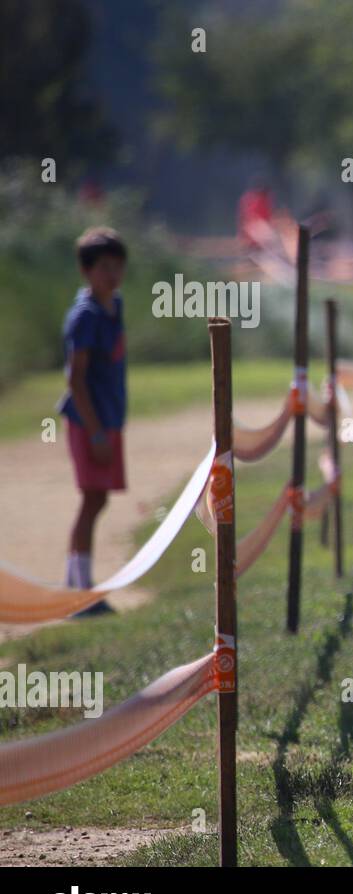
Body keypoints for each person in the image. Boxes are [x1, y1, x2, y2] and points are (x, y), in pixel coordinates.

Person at [58, 227, 129, 615]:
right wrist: (97, 431)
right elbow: (76, 378)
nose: (113, 275)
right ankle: (80, 593)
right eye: (104, 267)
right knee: (90, 500)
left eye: (118, 267)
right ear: (86, 271)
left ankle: (77, 584)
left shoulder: (113, 306)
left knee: (98, 499)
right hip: (90, 423)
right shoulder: (84, 317)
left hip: (108, 421)